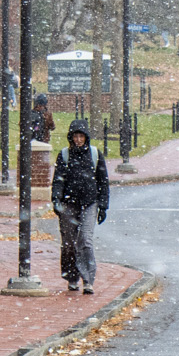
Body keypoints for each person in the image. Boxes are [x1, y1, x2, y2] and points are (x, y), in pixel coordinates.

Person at [51, 119, 109, 294]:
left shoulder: (95, 155)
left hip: (89, 203)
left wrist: (103, 206)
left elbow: (103, 181)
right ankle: (72, 276)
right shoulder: (64, 155)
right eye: (75, 136)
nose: (78, 140)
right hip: (69, 203)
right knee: (68, 242)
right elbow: (58, 180)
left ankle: (88, 279)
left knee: (85, 240)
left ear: (86, 137)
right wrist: (56, 200)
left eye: (81, 136)